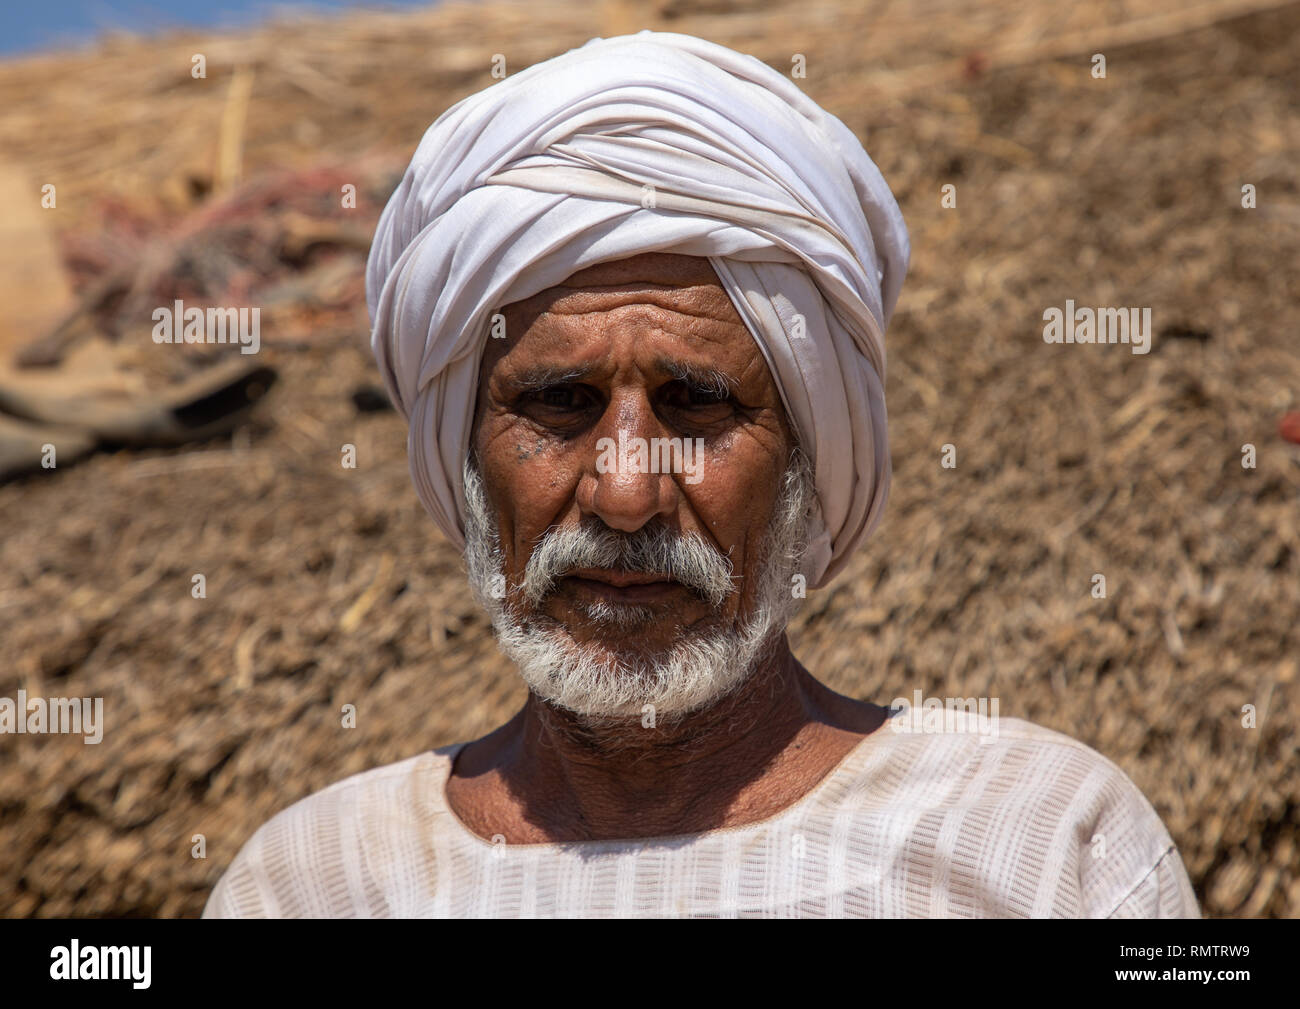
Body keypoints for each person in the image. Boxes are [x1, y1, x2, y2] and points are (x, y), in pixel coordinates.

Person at [204, 31, 1199, 918]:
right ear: (462, 460)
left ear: (810, 462)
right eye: (557, 405)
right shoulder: (313, 882)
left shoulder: (1046, 846)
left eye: (698, 406)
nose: (627, 494)